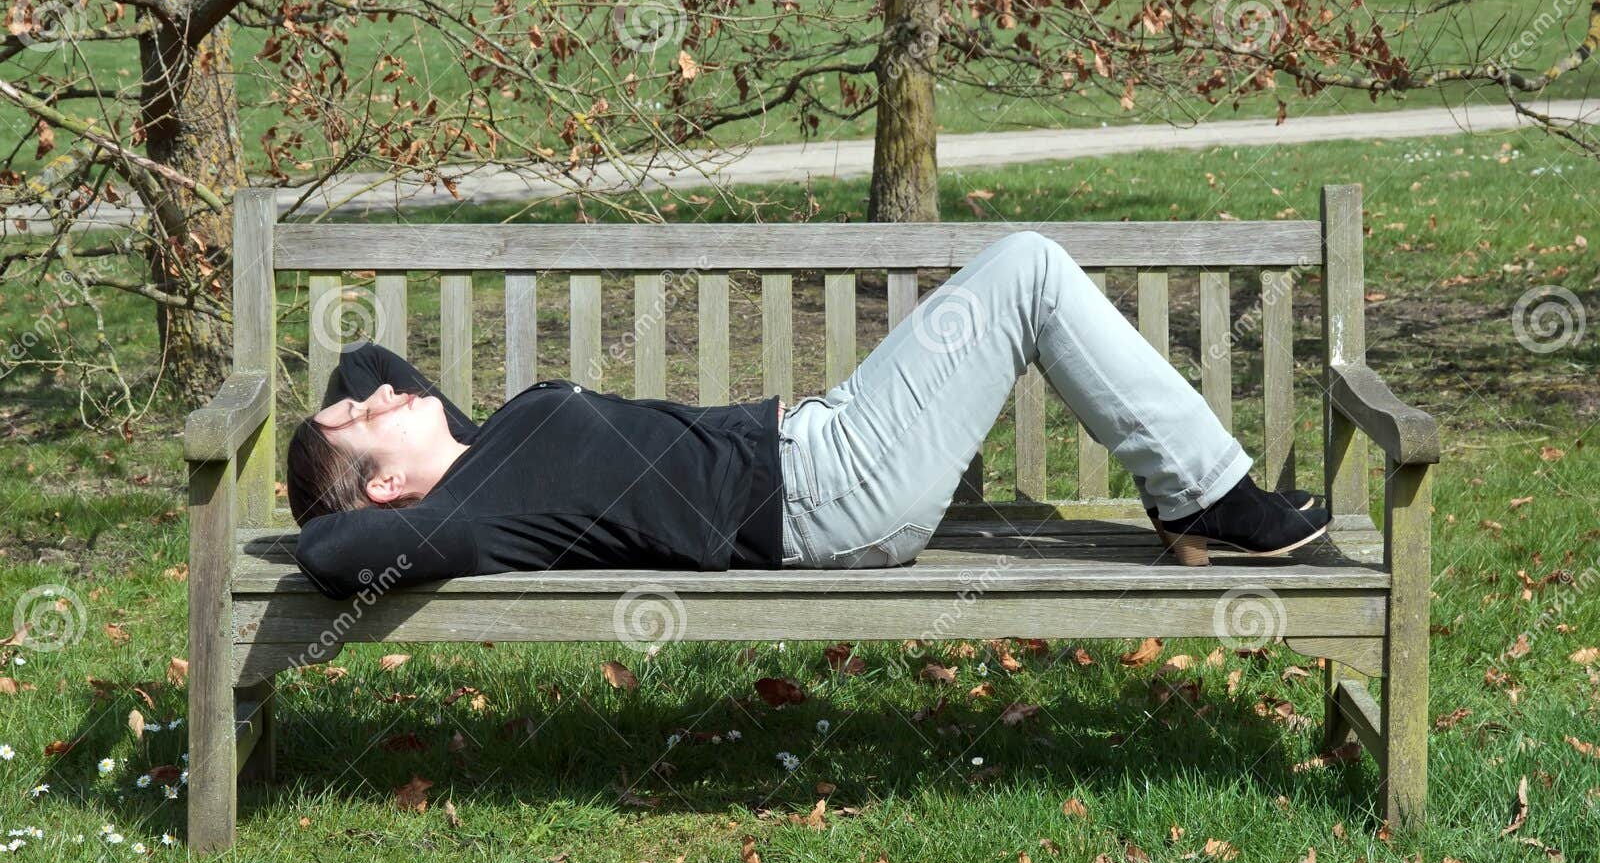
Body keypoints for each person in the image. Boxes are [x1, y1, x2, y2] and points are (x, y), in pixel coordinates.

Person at [286, 231, 1329, 599]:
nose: (382, 388)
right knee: (1029, 270)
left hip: (823, 449)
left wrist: (346, 416)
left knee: (1024, 268)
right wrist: (325, 471)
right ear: (384, 486)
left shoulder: (473, 447)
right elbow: (329, 549)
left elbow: (367, 358)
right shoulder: (466, 516)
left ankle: (1197, 496)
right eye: (362, 414)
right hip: (829, 492)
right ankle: (1208, 498)